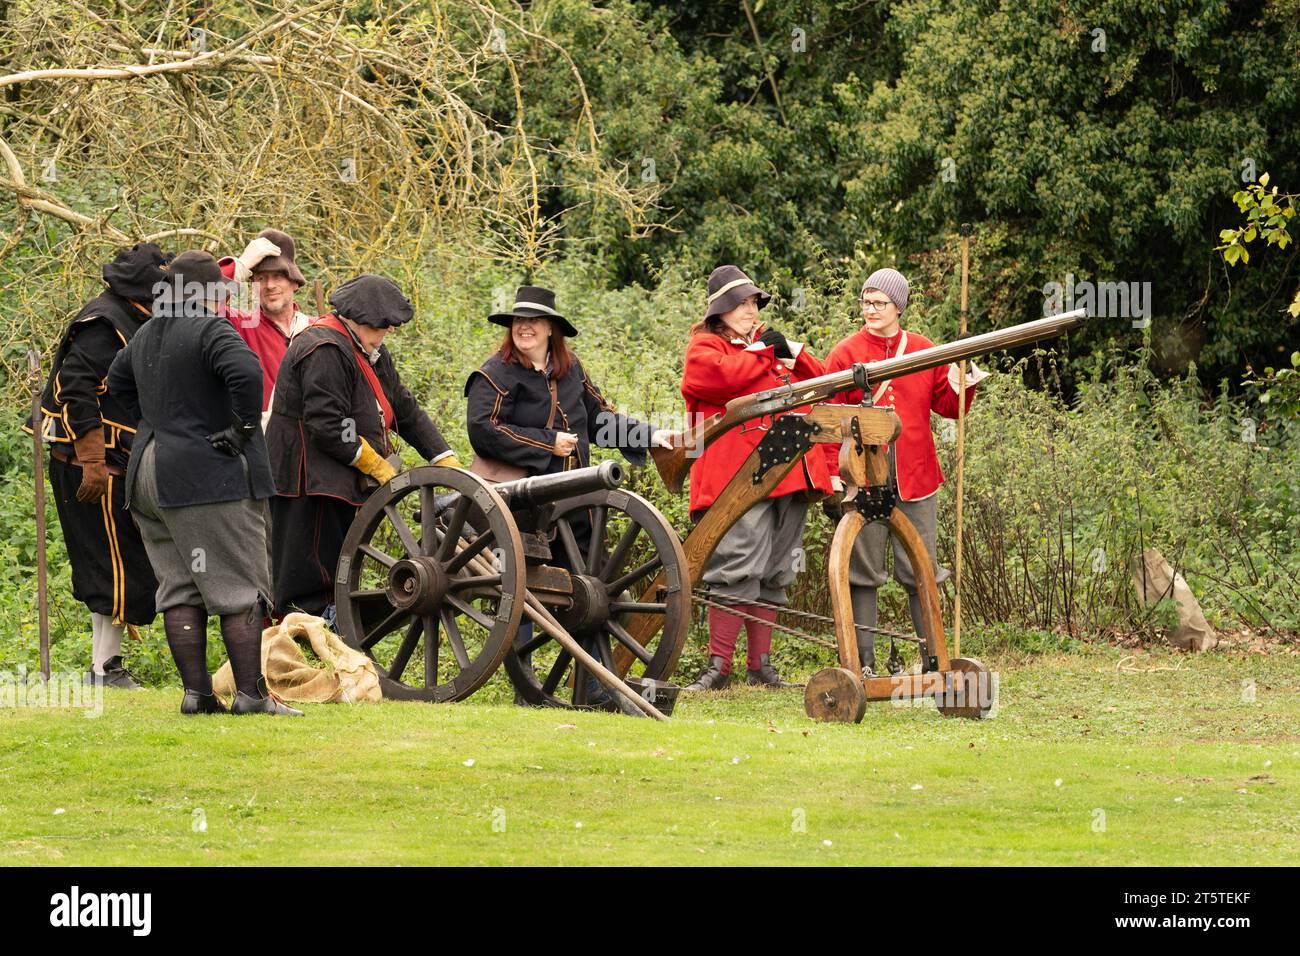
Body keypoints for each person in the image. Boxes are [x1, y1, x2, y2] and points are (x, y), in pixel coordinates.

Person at [107, 251, 299, 715]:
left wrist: (155, 426)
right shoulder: (212, 327)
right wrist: (240, 430)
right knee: (240, 588)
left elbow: (115, 382)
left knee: (179, 587)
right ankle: (252, 698)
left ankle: (197, 696)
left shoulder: (148, 331)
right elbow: (248, 373)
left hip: (149, 476)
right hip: (204, 477)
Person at [464, 285, 675, 707]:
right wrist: (546, 443)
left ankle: (594, 687)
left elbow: (601, 421)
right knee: (520, 589)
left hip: (574, 509)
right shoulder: (494, 374)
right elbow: (483, 429)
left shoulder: (570, 370)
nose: (525, 327)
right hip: (520, 507)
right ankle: (525, 687)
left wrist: (652, 435)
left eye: (535, 321)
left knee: (587, 593)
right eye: (518, 322)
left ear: (551, 330)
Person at [265, 274, 462, 622]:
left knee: (336, 572)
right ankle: (303, 648)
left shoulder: (368, 348)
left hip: (331, 482)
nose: (388, 333)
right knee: (311, 581)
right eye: (383, 326)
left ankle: (334, 641)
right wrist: (373, 463)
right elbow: (327, 424)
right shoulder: (323, 348)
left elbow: (403, 406)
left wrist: (443, 457)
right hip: (307, 484)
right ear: (360, 321)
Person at [821, 267, 987, 676]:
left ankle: (934, 660)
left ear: (899, 307)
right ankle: (863, 665)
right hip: (860, 472)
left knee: (921, 568)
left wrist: (964, 377)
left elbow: (949, 407)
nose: (871, 309)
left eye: (880, 302)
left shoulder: (923, 349)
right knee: (862, 571)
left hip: (915, 474)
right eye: (866, 301)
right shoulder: (845, 352)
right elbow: (825, 418)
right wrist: (830, 474)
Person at [680, 266, 834, 691]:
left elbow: (824, 384)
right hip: (738, 478)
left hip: (790, 471)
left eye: (753, 303)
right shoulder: (705, 348)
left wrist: (794, 350)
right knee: (735, 566)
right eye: (742, 303)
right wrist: (765, 351)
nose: (750, 311)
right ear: (721, 311)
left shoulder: (764, 346)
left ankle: (760, 666)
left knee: (777, 569)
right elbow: (727, 380)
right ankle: (719, 668)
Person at [25, 243, 171, 689]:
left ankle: (105, 665)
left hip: (114, 459)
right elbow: (76, 387)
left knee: (121, 561)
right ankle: (103, 669)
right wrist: (91, 458)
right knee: (111, 563)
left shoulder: (134, 315)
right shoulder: (103, 323)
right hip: (90, 463)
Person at [218, 230, 315, 423]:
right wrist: (242, 264)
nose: (270, 285)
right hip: (261, 446)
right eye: (261, 278)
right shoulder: (238, 326)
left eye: (278, 276)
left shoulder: (319, 330)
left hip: (312, 448)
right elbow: (193, 305)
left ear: (294, 282)